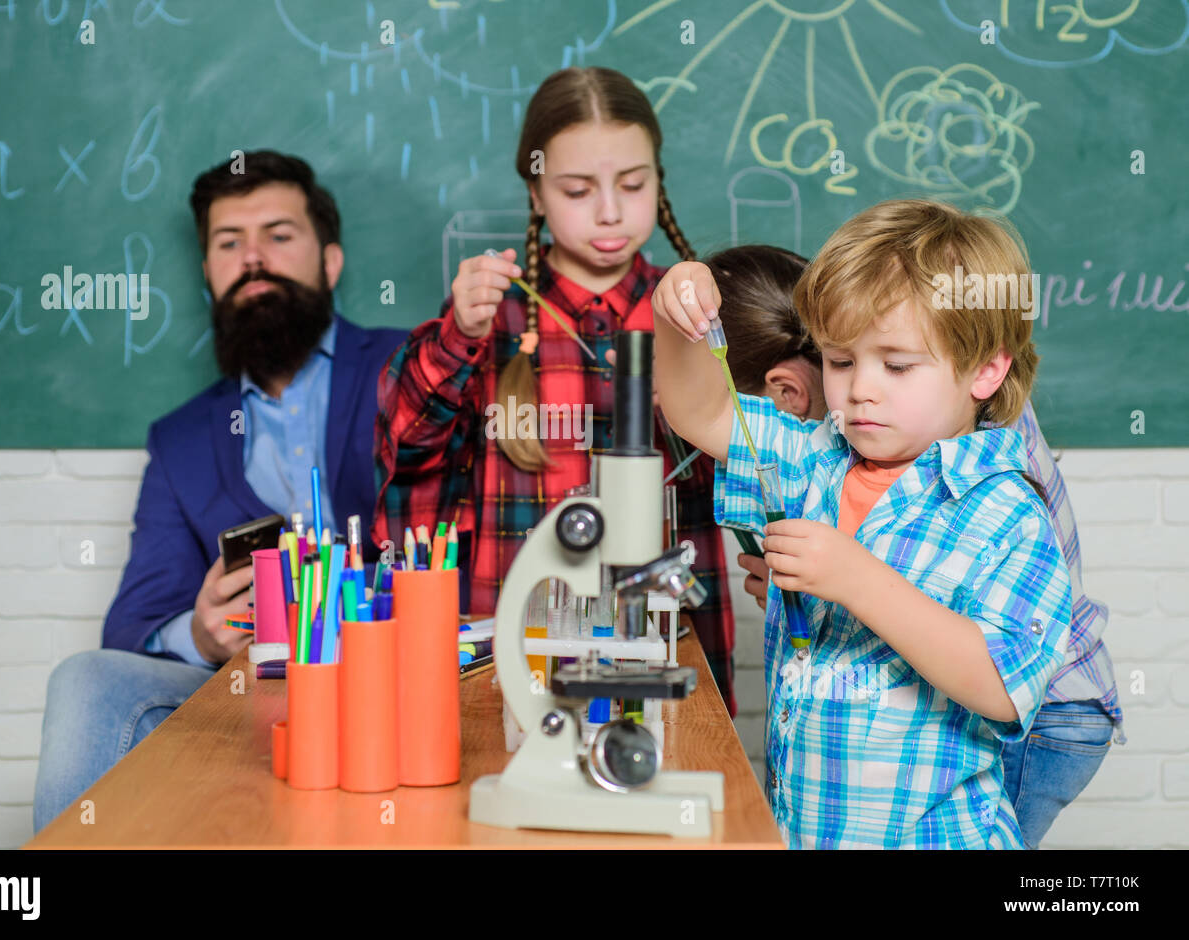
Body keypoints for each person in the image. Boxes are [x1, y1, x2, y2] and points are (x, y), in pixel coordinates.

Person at [654, 200, 1074, 848]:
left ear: (985, 370)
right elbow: (698, 411)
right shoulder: (810, 459)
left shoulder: (1006, 512)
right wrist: (674, 316)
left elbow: (1002, 685)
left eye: (897, 365)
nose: (861, 390)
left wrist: (858, 579)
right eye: (841, 362)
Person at [33, 151, 407, 832]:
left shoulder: (410, 368)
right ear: (208, 274)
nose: (253, 258)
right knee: (86, 679)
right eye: (229, 243)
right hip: (250, 691)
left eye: (279, 235)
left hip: (389, 675)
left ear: (330, 261)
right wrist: (201, 635)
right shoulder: (179, 441)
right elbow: (128, 629)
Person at [372, 67, 738, 713]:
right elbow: (403, 451)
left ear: (659, 181)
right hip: (515, 660)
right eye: (576, 189)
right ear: (536, 193)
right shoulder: (493, 322)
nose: (609, 211)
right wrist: (457, 333)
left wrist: (698, 382)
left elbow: (759, 470)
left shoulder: (689, 313)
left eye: (633, 184)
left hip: (668, 655)